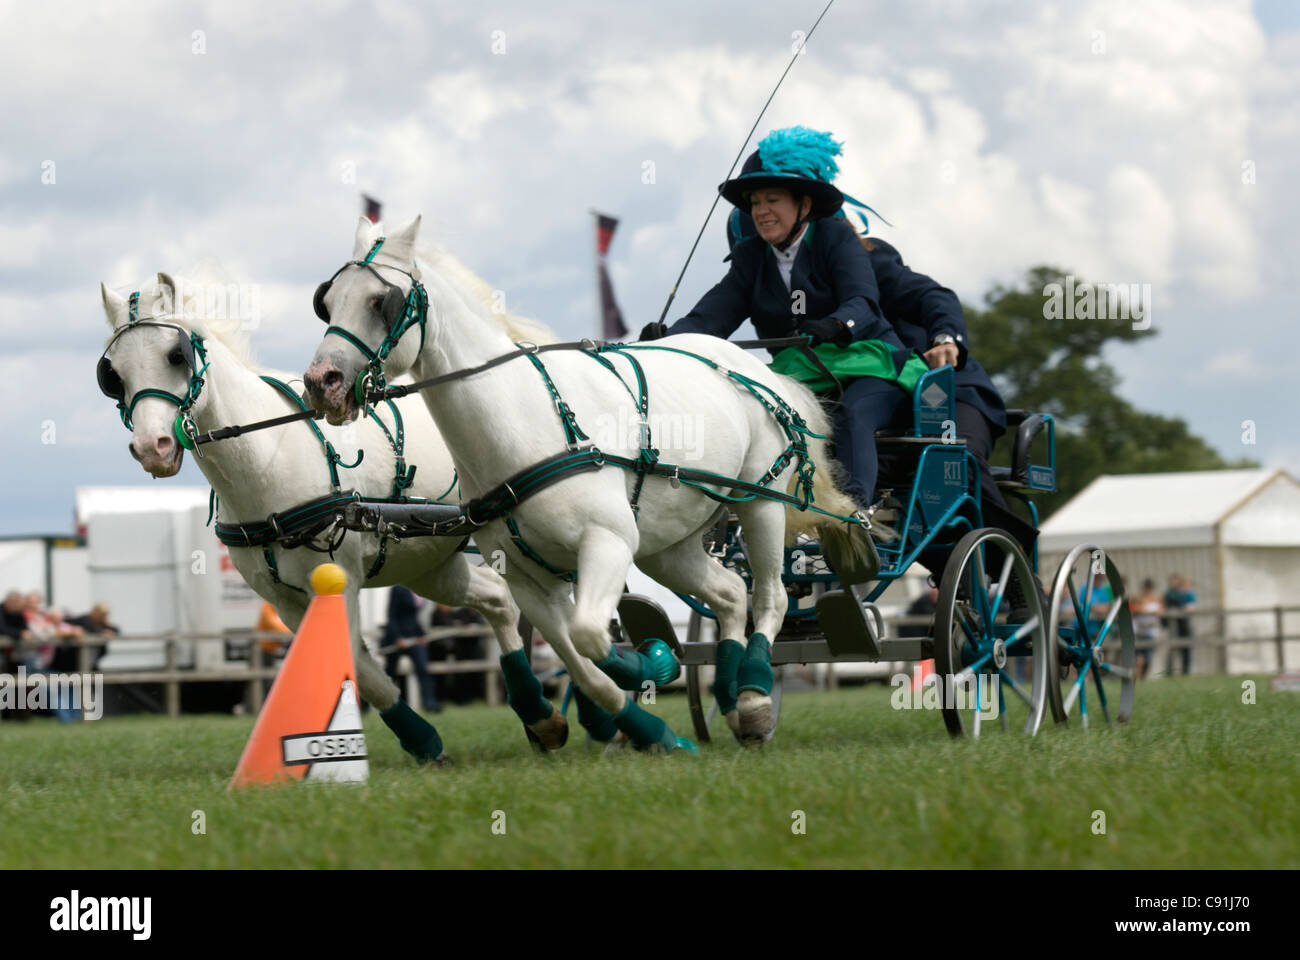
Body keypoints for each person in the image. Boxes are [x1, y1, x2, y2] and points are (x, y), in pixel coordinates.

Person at [640, 126, 929, 513]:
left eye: (772, 199)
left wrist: (838, 324)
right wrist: (666, 341)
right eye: (755, 202)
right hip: (804, 372)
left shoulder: (836, 239)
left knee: (851, 414)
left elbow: (863, 301)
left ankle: (853, 513)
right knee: (758, 413)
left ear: (804, 205)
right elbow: (711, 317)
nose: (760, 211)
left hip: (871, 364)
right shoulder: (750, 256)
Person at [383, 586, 440, 713]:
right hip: (397, 638)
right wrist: (397, 637)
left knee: (423, 669)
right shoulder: (398, 588)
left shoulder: (420, 589)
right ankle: (387, 703)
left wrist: (422, 635)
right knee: (390, 673)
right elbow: (391, 615)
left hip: (414, 637)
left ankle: (430, 704)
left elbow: (413, 618)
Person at [1162, 575, 1197, 675]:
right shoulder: (1170, 594)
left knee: (1186, 650)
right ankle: (1169, 672)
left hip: (1184, 625)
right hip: (1174, 626)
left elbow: (1190, 607)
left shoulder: (1187, 594)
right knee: (1172, 649)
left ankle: (1185, 672)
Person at [1130, 579, 1164, 679]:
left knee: (1148, 658)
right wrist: (1145, 610)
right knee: (1139, 658)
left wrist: (1145, 610)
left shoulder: (1156, 599)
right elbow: (1133, 609)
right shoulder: (1137, 598)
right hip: (1139, 632)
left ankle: (1142, 677)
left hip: (1150, 633)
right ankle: (1138, 678)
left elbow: (1160, 611)